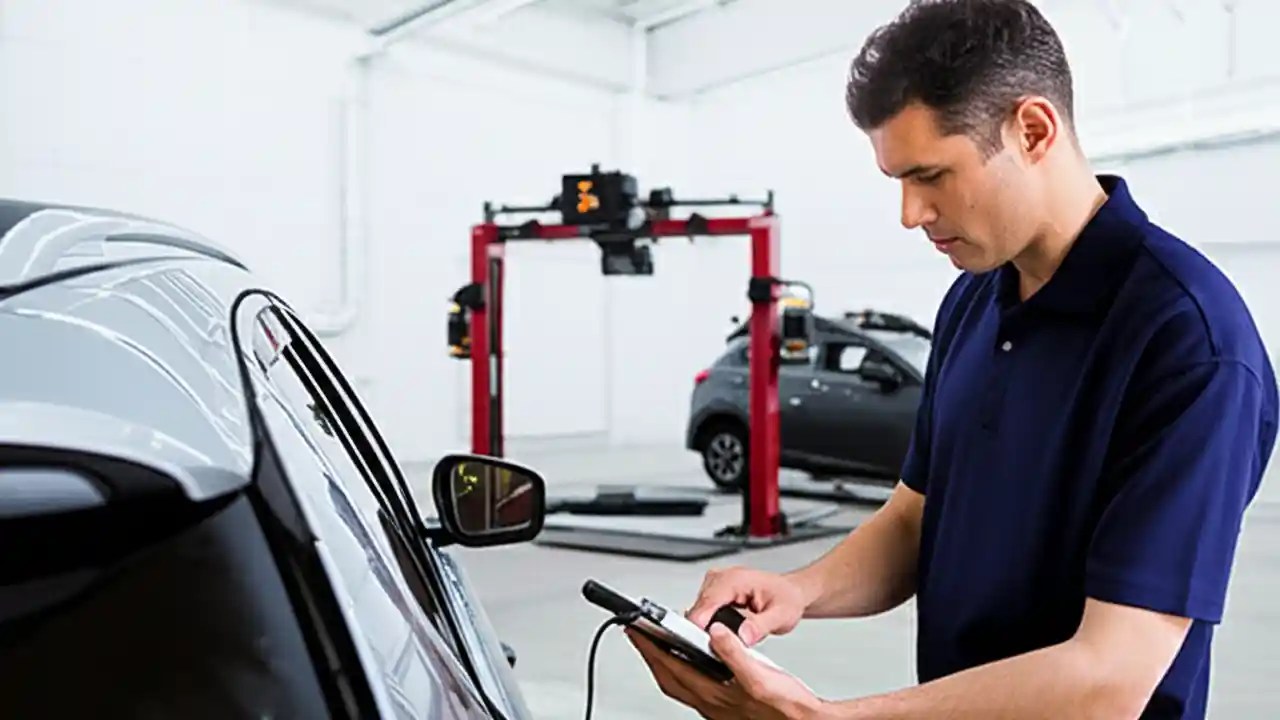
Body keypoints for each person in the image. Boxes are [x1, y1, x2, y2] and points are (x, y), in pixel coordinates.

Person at [625, 1, 1278, 718]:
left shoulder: (1190, 343)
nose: (910, 213)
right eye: (898, 181)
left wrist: (837, 719)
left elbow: (1110, 679)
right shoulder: (972, 302)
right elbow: (912, 519)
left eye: (931, 175)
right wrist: (800, 590)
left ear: (1033, 130)